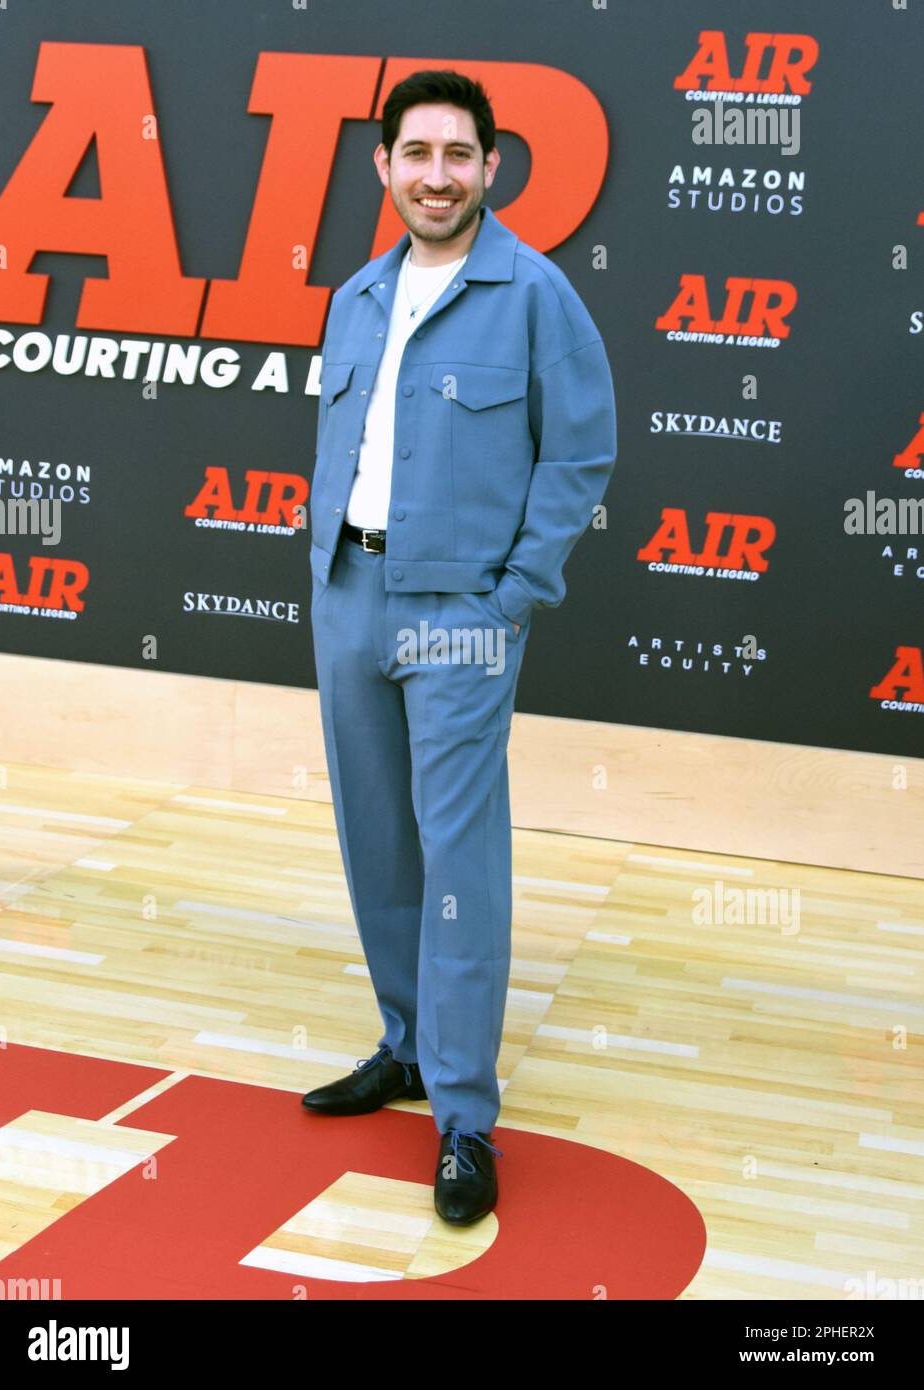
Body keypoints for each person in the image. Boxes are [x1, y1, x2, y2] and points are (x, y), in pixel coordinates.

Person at [302, 69, 617, 1225]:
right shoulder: (357, 297)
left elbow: (579, 456)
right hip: (350, 593)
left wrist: (512, 599)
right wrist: (329, 573)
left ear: (490, 169)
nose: (437, 175)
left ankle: (463, 1118)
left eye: (459, 155)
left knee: (458, 863)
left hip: (460, 615)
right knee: (375, 836)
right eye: (416, 153)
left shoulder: (535, 297)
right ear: (382, 169)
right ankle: (405, 1043)